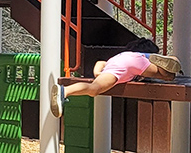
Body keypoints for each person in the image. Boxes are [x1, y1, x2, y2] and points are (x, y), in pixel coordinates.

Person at [51, 37, 182, 118]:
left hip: (124, 64)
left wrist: (97, 73)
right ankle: (170, 59)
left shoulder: (121, 56)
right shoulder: (141, 57)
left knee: (93, 89)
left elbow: (100, 63)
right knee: (168, 76)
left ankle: (65, 91)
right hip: (138, 63)